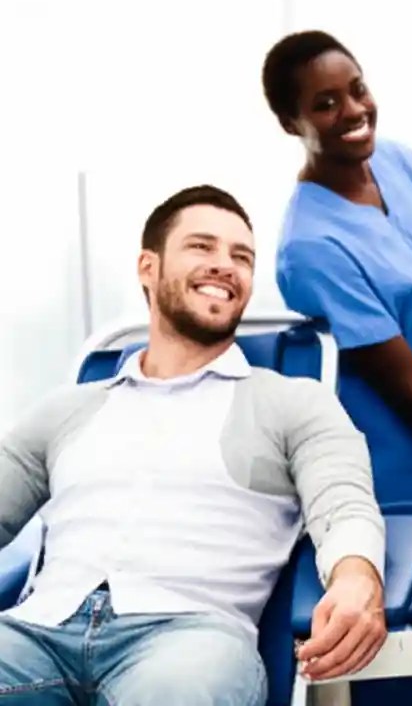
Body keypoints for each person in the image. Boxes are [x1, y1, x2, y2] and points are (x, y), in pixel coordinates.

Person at [0, 186, 387, 705]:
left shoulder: (293, 404)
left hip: (186, 643)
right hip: (36, 635)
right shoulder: (68, 410)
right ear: (148, 267)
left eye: (241, 256)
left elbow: (346, 505)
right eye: (202, 247)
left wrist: (357, 578)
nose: (225, 265)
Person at [264, 31, 412, 509]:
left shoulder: (399, 162)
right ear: (292, 123)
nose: (353, 110)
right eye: (326, 103)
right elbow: (408, 396)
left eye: (358, 89)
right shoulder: (312, 247)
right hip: (397, 479)